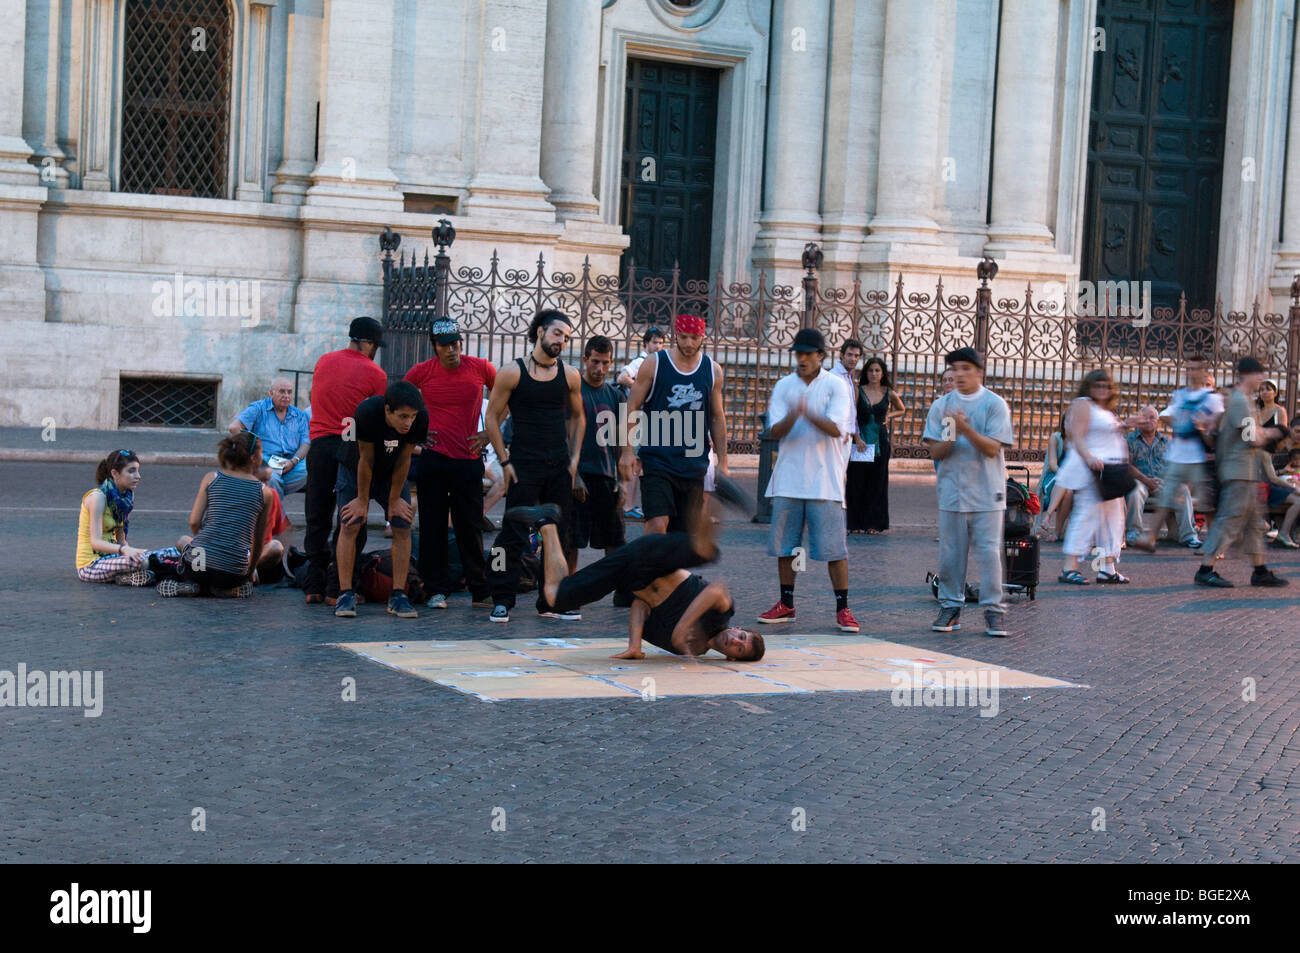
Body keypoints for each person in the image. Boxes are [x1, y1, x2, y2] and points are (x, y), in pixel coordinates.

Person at [507, 496, 765, 662]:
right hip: (654, 559)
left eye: (739, 648)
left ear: (732, 658)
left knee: (555, 597)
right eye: (741, 636)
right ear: (738, 628)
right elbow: (717, 590)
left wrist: (635, 645)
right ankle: (716, 491)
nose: (734, 641)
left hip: (630, 574)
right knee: (704, 551)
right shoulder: (721, 615)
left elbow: (641, 605)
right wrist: (681, 629)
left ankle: (546, 522)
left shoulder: (689, 650)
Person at [483, 309, 585, 623]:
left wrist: (574, 460)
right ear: (540, 332)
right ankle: (500, 598)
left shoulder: (569, 375)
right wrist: (505, 460)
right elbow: (492, 417)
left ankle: (552, 600)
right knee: (511, 535)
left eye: (567, 337)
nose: (562, 341)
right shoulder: (512, 372)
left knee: (557, 535)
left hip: (557, 466)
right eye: (557, 333)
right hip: (523, 465)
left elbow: (579, 417)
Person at [754, 328, 858, 632]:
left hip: (825, 480)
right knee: (787, 547)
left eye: (807, 354)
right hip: (788, 478)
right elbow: (774, 431)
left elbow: (837, 428)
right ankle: (787, 603)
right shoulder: (784, 385)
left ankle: (843, 608)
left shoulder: (837, 386)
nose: (801, 359)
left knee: (833, 549)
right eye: (797, 354)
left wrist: (807, 411)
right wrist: (793, 414)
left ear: (821, 356)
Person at [404, 318, 496, 610]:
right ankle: (435, 591)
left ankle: (480, 590)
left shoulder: (481, 367)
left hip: (468, 461)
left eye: (456, 343)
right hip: (434, 460)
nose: (452, 350)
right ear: (435, 347)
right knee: (432, 527)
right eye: (445, 345)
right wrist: (417, 435)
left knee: (470, 526)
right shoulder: (422, 372)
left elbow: (507, 397)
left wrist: (490, 432)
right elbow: (396, 404)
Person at [923, 347, 1015, 637]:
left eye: (965, 368)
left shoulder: (994, 405)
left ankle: (993, 611)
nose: (959, 374)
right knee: (950, 554)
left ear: (978, 371)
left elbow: (991, 448)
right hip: (951, 489)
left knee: (988, 553)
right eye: (955, 369)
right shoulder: (941, 406)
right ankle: (951, 607)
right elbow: (935, 451)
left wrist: (964, 428)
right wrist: (952, 432)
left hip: (987, 492)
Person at [301, 317, 389, 603]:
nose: (375, 350)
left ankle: (313, 586)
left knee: (317, 514)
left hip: (320, 444)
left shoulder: (323, 361)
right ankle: (338, 586)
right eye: (375, 345)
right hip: (352, 447)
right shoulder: (376, 374)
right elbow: (375, 418)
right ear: (366, 342)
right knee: (352, 516)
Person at [618, 313, 729, 538]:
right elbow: (631, 407)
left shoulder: (712, 370)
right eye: (684, 337)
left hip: (693, 463)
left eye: (694, 337)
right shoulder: (654, 364)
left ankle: (669, 574)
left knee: (683, 537)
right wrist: (627, 452)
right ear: (675, 335)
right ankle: (647, 572)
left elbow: (717, 417)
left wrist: (723, 462)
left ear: (703, 337)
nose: (689, 343)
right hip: (658, 460)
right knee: (657, 525)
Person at [331, 382, 429, 617]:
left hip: (392, 470)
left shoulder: (420, 418)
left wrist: (395, 500)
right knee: (350, 523)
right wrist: (362, 501)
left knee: (402, 524)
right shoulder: (367, 412)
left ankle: (398, 595)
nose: (408, 422)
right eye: (403, 416)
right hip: (354, 468)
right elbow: (365, 461)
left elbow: (405, 458)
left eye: (412, 416)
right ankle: (344, 594)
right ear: (387, 410)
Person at [1193, 358, 1288, 587]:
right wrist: (1276, 433)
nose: (1260, 380)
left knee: (1254, 523)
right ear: (1249, 375)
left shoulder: (1245, 401)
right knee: (1230, 520)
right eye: (1258, 375)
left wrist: (1268, 433)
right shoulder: (1240, 402)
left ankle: (1260, 570)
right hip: (1238, 471)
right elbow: (1250, 437)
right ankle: (1206, 568)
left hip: (1246, 471)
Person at [1054, 369, 1141, 585]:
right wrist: (1089, 457)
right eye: (1097, 385)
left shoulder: (1105, 410)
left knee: (1112, 521)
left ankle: (1107, 568)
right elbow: (1077, 436)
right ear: (1089, 387)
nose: (1102, 390)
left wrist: (1125, 425)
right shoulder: (1083, 403)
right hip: (1092, 472)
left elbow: (1104, 433)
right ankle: (1069, 568)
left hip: (1111, 472)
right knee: (1085, 517)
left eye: (1106, 386)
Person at [160, 431, 272, 597]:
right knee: (225, 575)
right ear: (254, 458)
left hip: (198, 567)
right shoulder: (265, 493)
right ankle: (224, 589)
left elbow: (194, 522)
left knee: (184, 542)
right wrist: (250, 571)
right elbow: (258, 540)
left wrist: (206, 547)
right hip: (233, 573)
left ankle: (196, 585)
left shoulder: (211, 478)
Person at [1134, 355, 1222, 553]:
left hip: (1198, 458)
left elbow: (1214, 431)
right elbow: (1171, 418)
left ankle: (1215, 542)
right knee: (1166, 498)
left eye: (1196, 369)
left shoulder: (1212, 398)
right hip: (1177, 456)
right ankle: (1151, 537)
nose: (1191, 373)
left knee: (1207, 504)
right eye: (1189, 369)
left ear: (1205, 372)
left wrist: (1202, 428)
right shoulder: (1180, 395)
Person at [567, 336, 628, 576]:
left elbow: (621, 444)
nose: (599, 368)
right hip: (578, 475)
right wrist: (574, 476)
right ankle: (568, 590)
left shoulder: (616, 396)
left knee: (614, 538)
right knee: (571, 540)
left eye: (604, 363)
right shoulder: (573, 392)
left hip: (606, 477)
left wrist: (622, 481)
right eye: (594, 362)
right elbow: (564, 437)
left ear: (611, 362)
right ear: (585, 360)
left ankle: (617, 587)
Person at [74, 449, 155, 585]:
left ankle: (128, 577)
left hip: (113, 558)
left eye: (138, 470)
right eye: (131, 471)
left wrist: (131, 551)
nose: (138, 476)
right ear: (115, 474)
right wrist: (124, 550)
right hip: (90, 565)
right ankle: (133, 575)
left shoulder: (126, 497)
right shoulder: (98, 497)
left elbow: (121, 540)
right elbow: (96, 543)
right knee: (143, 562)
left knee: (169, 554)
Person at [1124, 405, 1200, 548]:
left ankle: (1189, 536)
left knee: (1182, 489)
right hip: (1140, 481)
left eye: (1152, 417)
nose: (1148, 420)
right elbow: (1126, 465)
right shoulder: (1129, 440)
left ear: (1158, 421)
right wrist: (1146, 480)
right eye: (1144, 417)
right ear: (1139, 420)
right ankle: (1134, 533)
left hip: (1163, 483)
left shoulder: (1167, 442)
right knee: (1135, 490)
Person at [847, 357, 906, 534]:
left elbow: (902, 409)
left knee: (877, 482)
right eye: (870, 370)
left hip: (880, 442)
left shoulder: (888, 392)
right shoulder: (858, 391)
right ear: (866, 372)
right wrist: (856, 438)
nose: (874, 374)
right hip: (861, 440)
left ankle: (874, 523)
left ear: (882, 373)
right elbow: (850, 416)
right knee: (856, 481)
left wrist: (889, 416)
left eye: (877, 370)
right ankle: (855, 523)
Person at [228, 377, 311, 500]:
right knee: (271, 478)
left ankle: (270, 495)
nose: (286, 395)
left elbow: (306, 443)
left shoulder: (299, 415)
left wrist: (293, 461)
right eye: (282, 391)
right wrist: (251, 453)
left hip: (291, 461)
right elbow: (234, 428)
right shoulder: (258, 409)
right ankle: (275, 513)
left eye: (289, 392)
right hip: (266, 459)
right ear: (271, 393)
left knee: (313, 472)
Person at [617, 327, 665, 522]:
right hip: (636, 417)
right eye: (654, 342)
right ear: (646, 343)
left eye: (661, 343)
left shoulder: (656, 362)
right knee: (634, 461)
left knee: (639, 463)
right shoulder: (641, 362)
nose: (658, 346)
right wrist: (639, 389)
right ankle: (626, 505)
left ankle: (628, 504)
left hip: (644, 418)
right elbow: (622, 377)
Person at [1033, 413, 1073, 541]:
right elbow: (1052, 464)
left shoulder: (1082, 440)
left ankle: (1055, 529)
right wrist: (1064, 474)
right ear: (1063, 423)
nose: (1070, 425)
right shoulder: (1056, 438)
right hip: (1054, 476)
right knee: (1065, 482)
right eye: (1068, 421)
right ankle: (1051, 520)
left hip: (1073, 480)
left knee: (1068, 493)